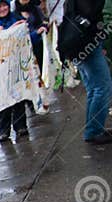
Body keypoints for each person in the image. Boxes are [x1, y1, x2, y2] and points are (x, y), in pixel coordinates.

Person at [57, 0, 112, 144]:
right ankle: (94, 131)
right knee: (102, 87)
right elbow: (90, 14)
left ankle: (93, 128)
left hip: (78, 44)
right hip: (86, 43)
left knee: (94, 88)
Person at [0, 1, 30, 143]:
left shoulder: (17, 19)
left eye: (5, 5)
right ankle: (3, 130)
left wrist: (37, 33)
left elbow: (27, 37)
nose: (3, 9)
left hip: (16, 67)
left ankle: (20, 126)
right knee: (2, 101)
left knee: (18, 98)